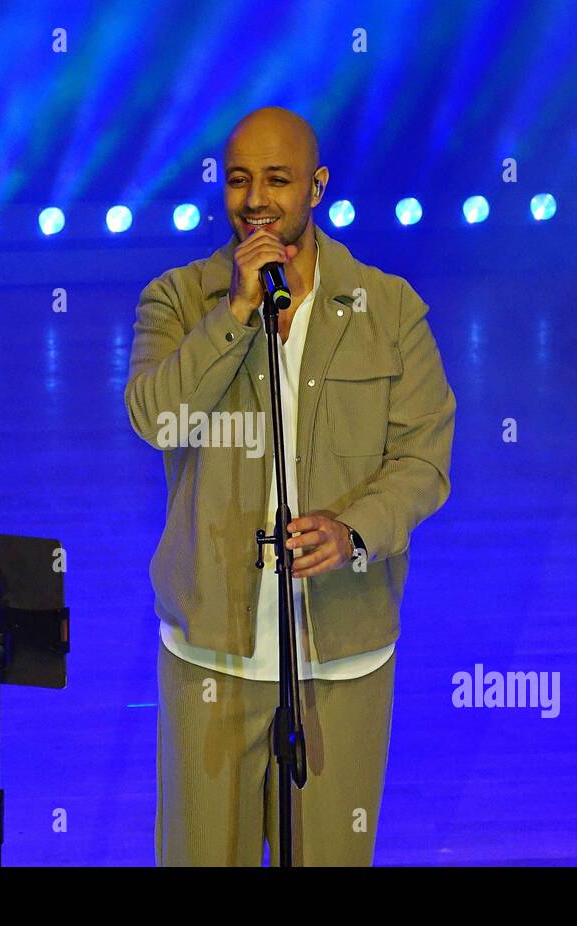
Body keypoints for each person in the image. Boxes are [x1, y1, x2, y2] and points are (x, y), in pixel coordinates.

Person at [125, 106, 455, 866]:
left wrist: (354, 530)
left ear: (318, 186)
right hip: (212, 654)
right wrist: (236, 313)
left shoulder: (390, 308)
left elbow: (424, 459)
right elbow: (156, 418)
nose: (256, 199)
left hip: (339, 655)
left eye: (277, 179)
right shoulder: (178, 300)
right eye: (239, 179)